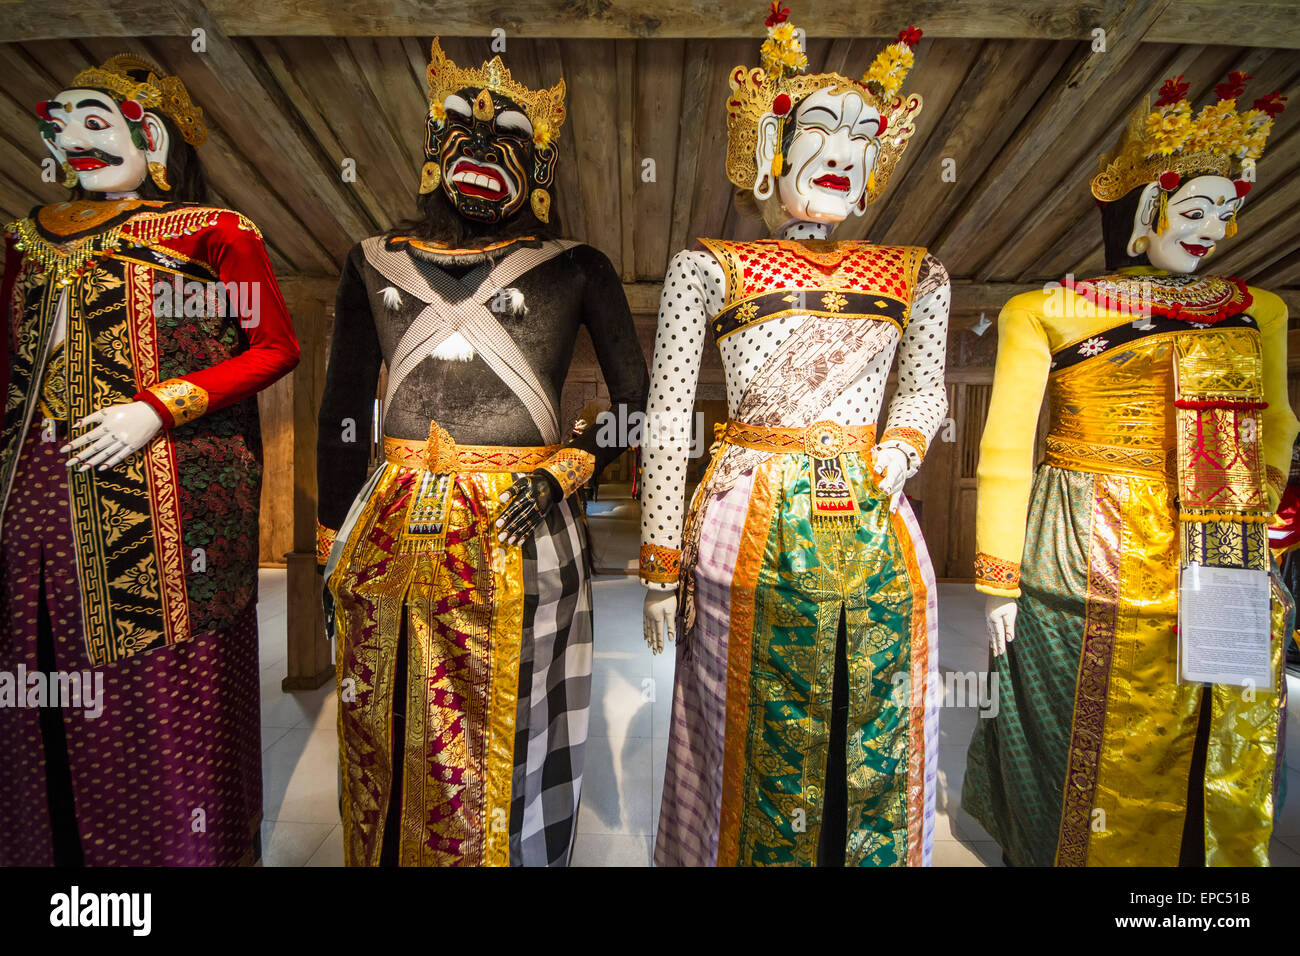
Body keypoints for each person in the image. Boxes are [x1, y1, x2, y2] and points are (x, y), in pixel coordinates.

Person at [317, 39, 649, 866]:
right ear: (434, 149)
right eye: (461, 128)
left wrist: (566, 469)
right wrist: (330, 544)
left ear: (540, 165)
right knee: (381, 713)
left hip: (522, 523)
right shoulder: (369, 261)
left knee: (512, 720)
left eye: (508, 136)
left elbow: (638, 408)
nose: (480, 150)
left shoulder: (577, 266)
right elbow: (342, 413)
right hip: (387, 524)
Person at [641, 6, 949, 866]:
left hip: (879, 520)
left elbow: (923, 392)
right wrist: (661, 566)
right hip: (747, 520)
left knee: (875, 721)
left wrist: (903, 446)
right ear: (768, 147)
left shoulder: (917, 274)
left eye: (863, 137)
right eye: (821, 130)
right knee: (743, 725)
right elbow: (667, 418)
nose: (845, 153)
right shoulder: (708, 266)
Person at [964, 72, 1295, 866]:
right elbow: (1006, 445)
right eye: (1194, 209)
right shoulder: (1049, 307)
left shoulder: (1259, 311)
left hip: (1224, 540)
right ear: (1145, 215)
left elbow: (1280, 423)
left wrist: (1264, 507)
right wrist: (996, 578)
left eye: (1226, 210)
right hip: (1086, 544)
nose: (1213, 228)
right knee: (1078, 723)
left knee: (1220, 715)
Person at [0, 54, 300, 865]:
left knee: (164, 674)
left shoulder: (213, 231)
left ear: (154, 138)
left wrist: (159, 404)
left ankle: (178, 851)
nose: (72, 136)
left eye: (97, 121)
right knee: (32, 658)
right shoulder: (24, 236)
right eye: (60, 122)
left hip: (164, 487)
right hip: (29, 481)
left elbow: (275, 347)